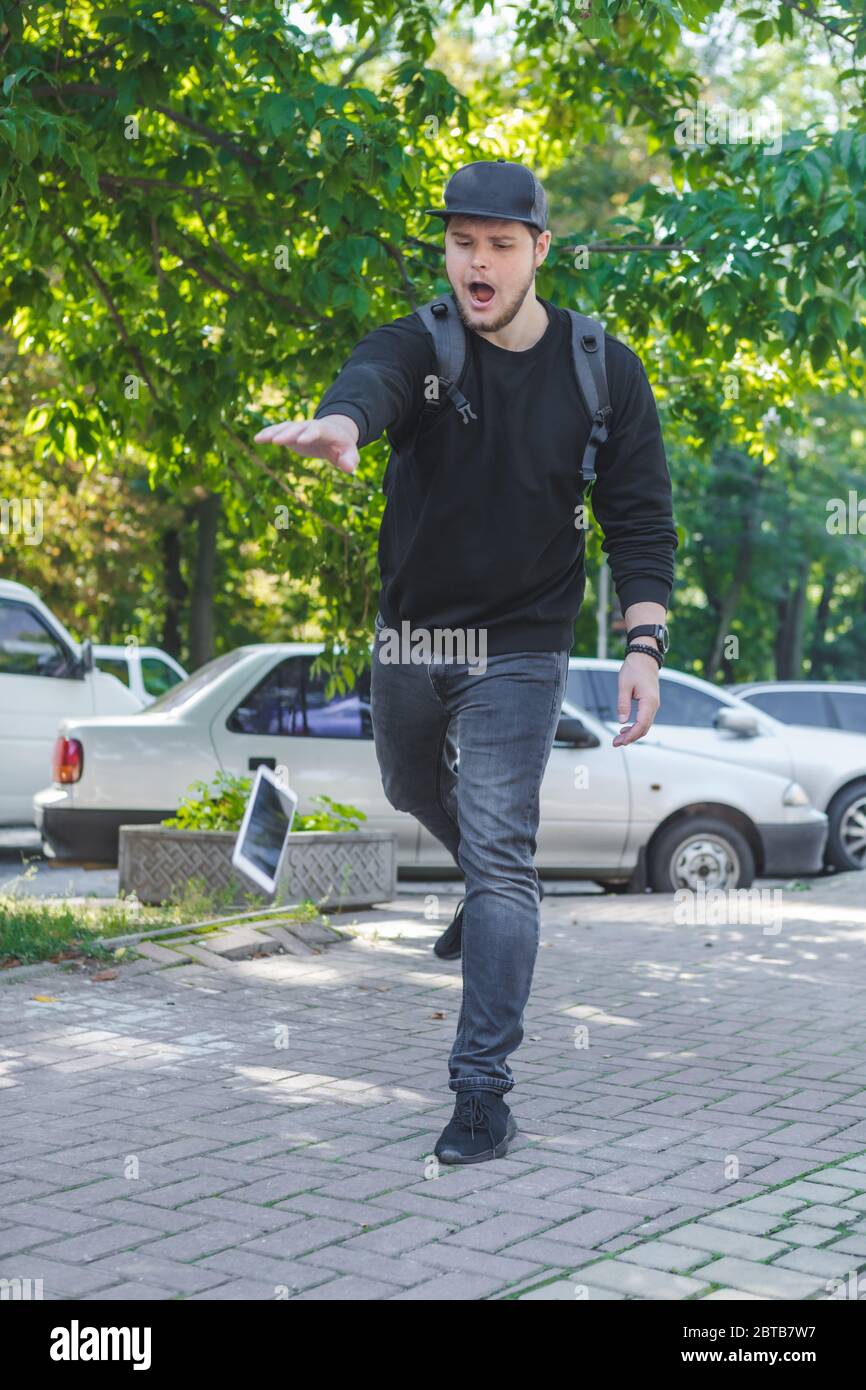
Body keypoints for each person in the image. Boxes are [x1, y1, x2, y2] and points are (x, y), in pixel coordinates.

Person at [254, 159, 677, 1165]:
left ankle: (480, 1090)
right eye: (459, 242)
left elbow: (639, 518)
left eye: (496, 244)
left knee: (500, 852)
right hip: (413, 632)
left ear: (537, 250)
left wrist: (642, 647)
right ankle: (487, 888)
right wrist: (343, 424)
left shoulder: (598, 365)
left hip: (523, 644)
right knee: (406, 779)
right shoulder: (426, 340)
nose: (474, 263)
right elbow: (374, 379)